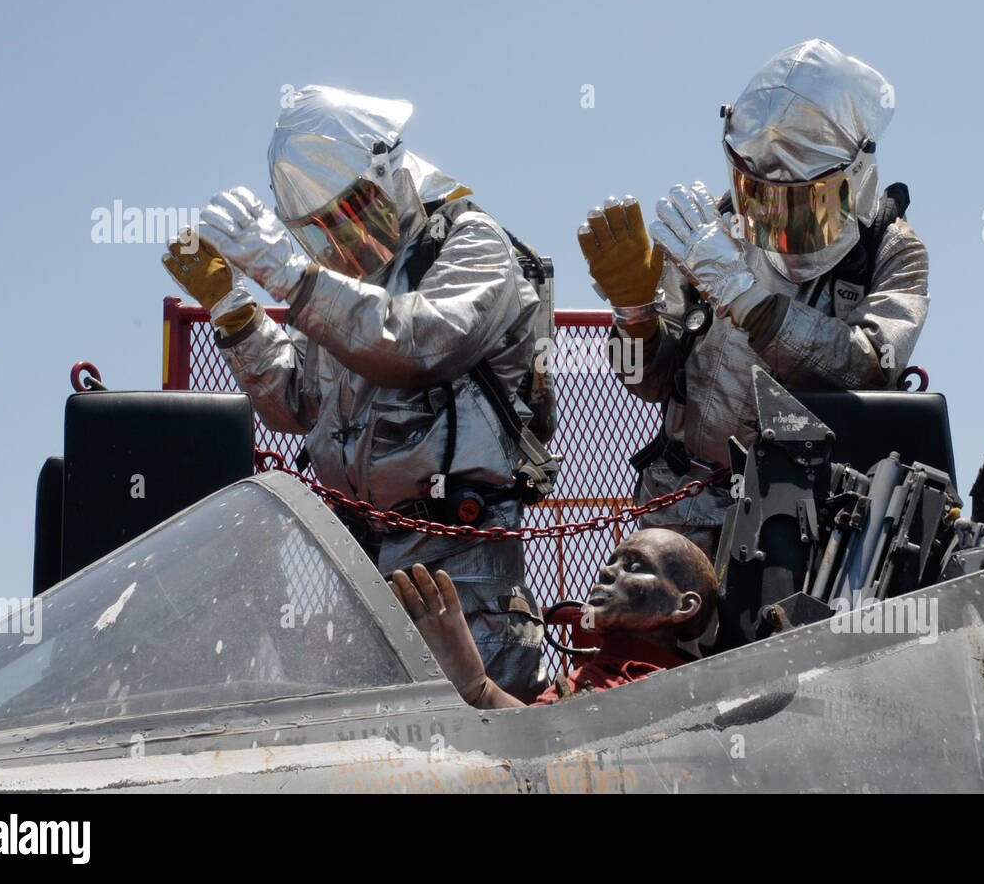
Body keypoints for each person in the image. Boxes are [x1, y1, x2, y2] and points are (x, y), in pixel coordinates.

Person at [160, 85, 547, 701]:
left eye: (347, 214)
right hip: (360, 561)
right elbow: (295, 404)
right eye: (320, 230)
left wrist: (292, 277)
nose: (339, 240)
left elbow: (417, 344)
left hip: (461, 564)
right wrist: (235, 311)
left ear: (388, 171)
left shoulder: (471, 243)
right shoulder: (340, 286)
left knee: (478, 745)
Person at [578, 39, 930, 562]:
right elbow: (644, 383)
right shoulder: (710, 229)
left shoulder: (892, 251)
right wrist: (633, 317)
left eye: (796, 205)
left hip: (804, 524)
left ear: (852, 178)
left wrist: (746, 298)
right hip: (677, 507)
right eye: (757, 196)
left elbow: (868, 368)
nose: (771, 220)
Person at [389, 529, 717, 707]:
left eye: (634, 566)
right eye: (613, 560)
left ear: (683, 606)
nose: (606, 570)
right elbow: (546, 741)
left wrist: (480, 690)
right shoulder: (584, 679)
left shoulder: (692, 692)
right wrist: (475, 686)